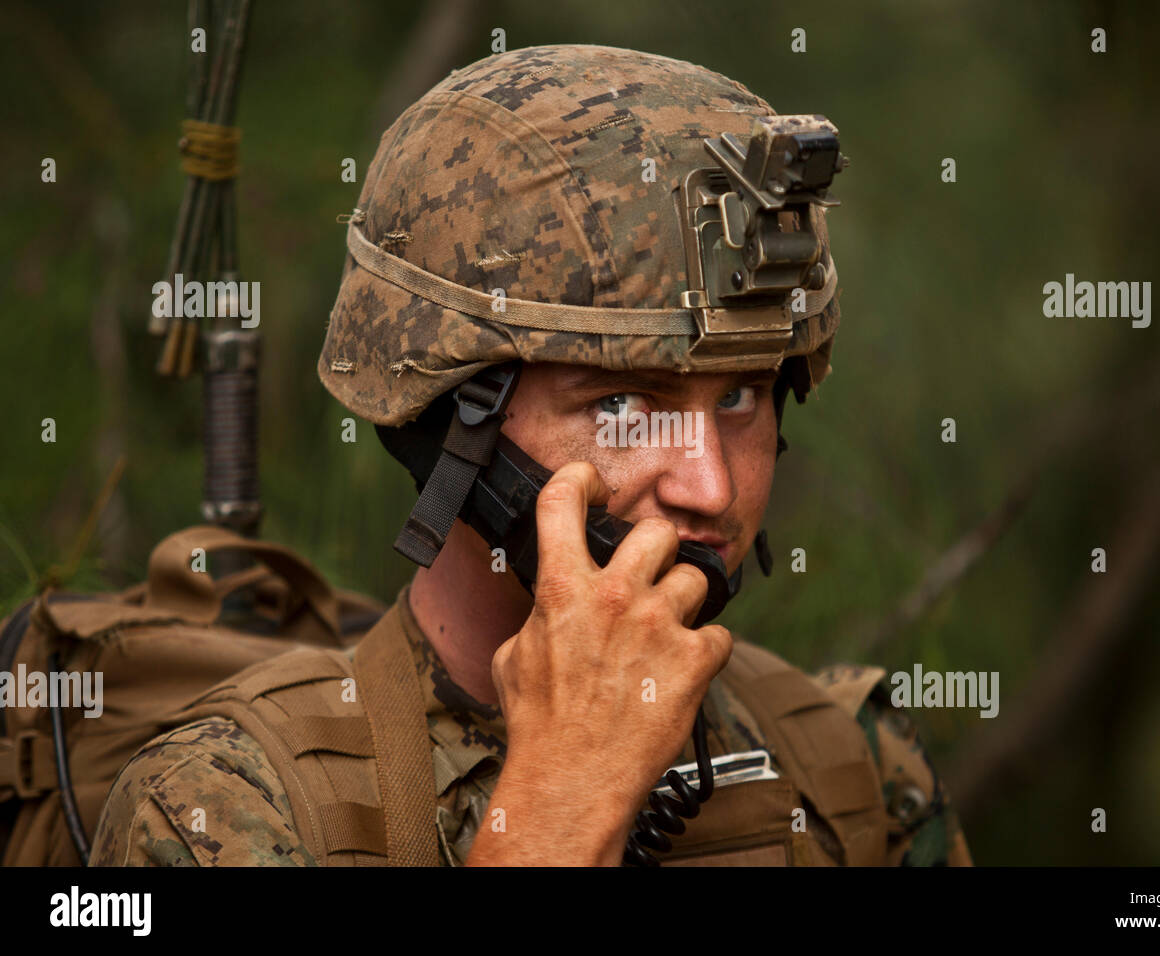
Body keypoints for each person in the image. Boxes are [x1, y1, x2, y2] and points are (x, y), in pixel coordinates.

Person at [90, 42, 972, 867]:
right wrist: (561, 803)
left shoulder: (853, 769)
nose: (712, 485)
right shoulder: (220, 811)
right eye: (625, 406)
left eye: (739, 397)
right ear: (444, 420)